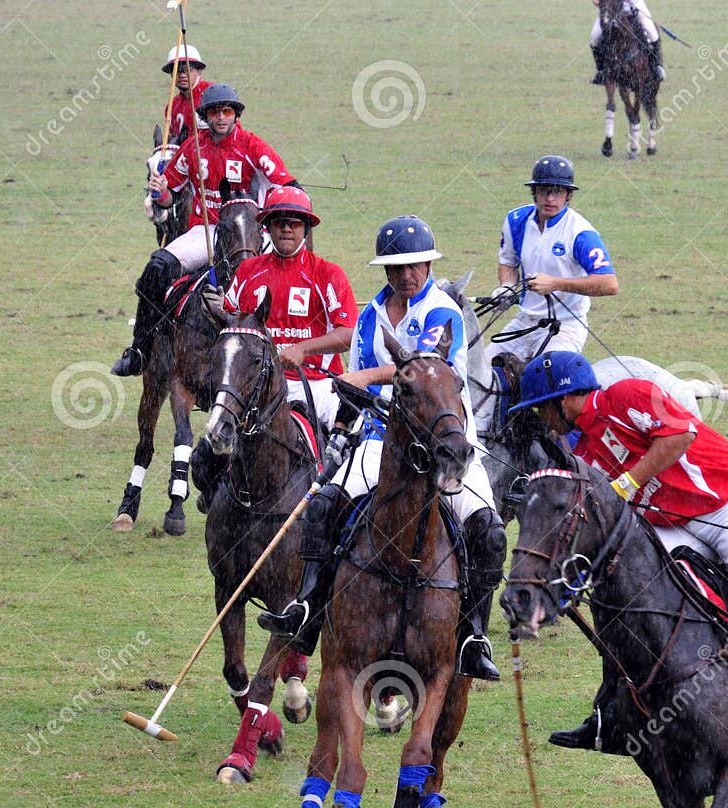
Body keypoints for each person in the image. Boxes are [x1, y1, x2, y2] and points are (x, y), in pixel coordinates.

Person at [509, 351, 728, 743]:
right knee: (625, 595)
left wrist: (627, 483)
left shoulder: (628, 395)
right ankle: (612, 712)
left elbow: (681, 434)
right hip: (671, 522)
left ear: (562, 400)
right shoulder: (582, 452)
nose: (541, 418)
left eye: (541, 409)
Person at [260, 216, 507, 682]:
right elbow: (354, 388)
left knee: (487, 529)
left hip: (445, 446)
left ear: (428, 265)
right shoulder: (370, 316)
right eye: (397, 268)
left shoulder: (443, 312)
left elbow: (427, 370)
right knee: (325, 505)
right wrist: (341, 429)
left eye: (414, 266)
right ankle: (308, 608)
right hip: (382, 441)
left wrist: (365, 377)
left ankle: (474, 634)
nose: (407, 275)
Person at [112, 83, 295, 378]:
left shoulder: (253, 147)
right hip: (206, 231)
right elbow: (169, 193)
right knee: (155, 269)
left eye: (226, 111)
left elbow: (288, 187)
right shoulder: (194, 147)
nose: (220, 117)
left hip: (251, 233)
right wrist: (159, 192)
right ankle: (140, 351)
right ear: (206, 116)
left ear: (236, 115)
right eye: (214, 112)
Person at [213, 184, 356, 429]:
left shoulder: (327, 273)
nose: (287, 229)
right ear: (267, 227)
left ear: (306, 228)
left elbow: (349, 334)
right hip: (257, 385)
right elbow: (230, 322)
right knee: (210, 449)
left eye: (295, 223)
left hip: (317, 384)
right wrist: (215, 310)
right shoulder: (248, 271)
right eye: (280, 222)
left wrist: (302, 349)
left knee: (352, 445)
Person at [493, 156, 618, 359]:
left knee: (547, 377)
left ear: (568, 194)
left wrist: (556, 284)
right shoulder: (515, 220)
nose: (550, 199)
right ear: (534, 192)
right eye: (544, 190)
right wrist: (506, 287)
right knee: (480, 373)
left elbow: (609, 284)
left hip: (566, 325)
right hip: (525, 320)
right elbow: (508, 261)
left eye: (558, 191)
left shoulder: (581, 232)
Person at [591, 0, 664, 84]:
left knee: (651, 31)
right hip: (610, 7)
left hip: (634, 4)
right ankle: (601, 71)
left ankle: (656, 67)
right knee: (595, 36)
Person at [162, 45, 209, 143]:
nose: (182, 75)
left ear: (198, 71)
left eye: (188, 69)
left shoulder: (214, 95)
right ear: (171, 74)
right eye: (177, 71)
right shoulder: (172, 106)